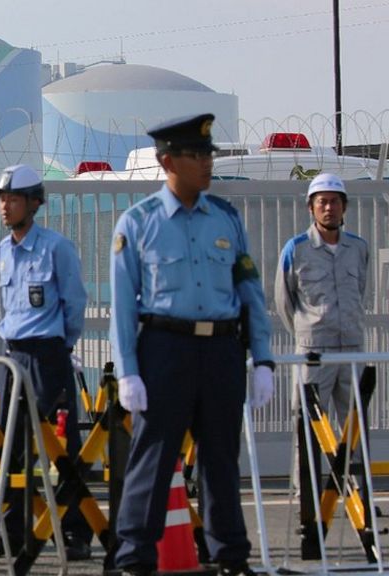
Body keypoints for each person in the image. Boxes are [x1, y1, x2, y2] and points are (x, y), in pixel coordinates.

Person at [109, 113, 275, 576]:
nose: (207, 164)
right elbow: (123, 306)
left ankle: (230, 556)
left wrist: (263, 359)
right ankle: (135, 558)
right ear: (167, 161)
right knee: (154, 456)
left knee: (221, 456)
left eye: (208, 155)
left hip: (221, 349)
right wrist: (128, 370)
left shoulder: (225, 217)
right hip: (165, 347)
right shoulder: (138, 223)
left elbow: (250, 290)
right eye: (196, 155)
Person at [0, 163, 92, 560]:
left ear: (34, 203)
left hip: (49, 356)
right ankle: (15, 529)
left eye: (12, 199)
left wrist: (59, 348)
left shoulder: (56, 248)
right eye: (1, 200)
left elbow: (75, 305)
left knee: (61, 448)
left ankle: (74, 531)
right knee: (12, 448)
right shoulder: (2, 252)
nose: (5, 207)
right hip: (13, 356)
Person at [274, 172, 369, 558]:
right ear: (311, 207)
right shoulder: (295, 249)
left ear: (345, 207)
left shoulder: (358, 248)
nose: (329, 207)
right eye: (321, 201)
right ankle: (308, 498)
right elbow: (284, 301)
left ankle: (356, 495)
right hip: (314, 351)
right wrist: (306, 332)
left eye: (335, 200)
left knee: (354, 423)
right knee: (310, 426)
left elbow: (360, 289)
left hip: (353, 348)